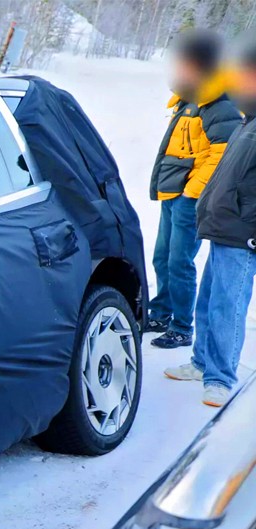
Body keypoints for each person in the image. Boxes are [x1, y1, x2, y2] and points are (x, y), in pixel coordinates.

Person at [166, 36, 256, 407]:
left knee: (228, 304)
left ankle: (221, 377)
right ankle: (202, 363)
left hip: (242, 233)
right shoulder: (247, 121)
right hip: (223, 226)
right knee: (207, 300)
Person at [148, 29, 241, 350]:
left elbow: (222, 150)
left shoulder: (219, 103)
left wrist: (193, 191)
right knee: (162, 258)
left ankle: (181, 326)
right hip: (172, 193)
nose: (178, 68)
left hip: (189, 198)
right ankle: (161, 312)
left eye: (184, 62)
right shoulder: (189, 98)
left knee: (179, 262)